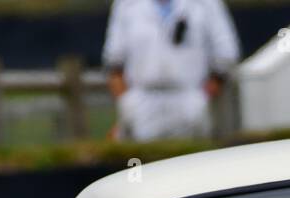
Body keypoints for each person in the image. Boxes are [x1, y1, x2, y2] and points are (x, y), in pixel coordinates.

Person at [102, 0, 240, 142]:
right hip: (141, 101)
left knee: (192, 160)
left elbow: (225, 55)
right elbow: (114, 63)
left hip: (190, 98)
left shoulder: (207, 4)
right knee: (144, 161)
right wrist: (127, 102)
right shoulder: (125, 4)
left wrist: (202, 97)